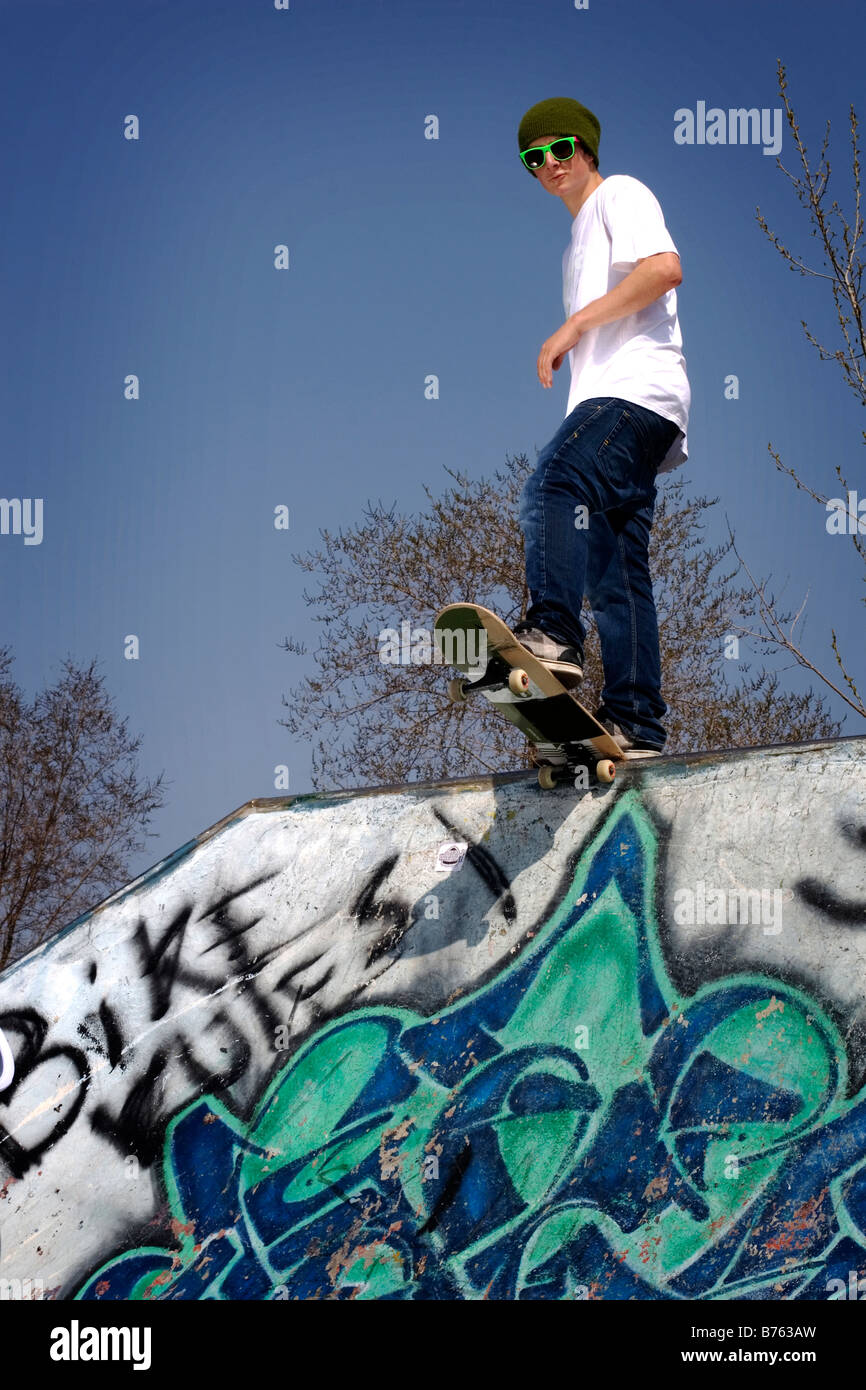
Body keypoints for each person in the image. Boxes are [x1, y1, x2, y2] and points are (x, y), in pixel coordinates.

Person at [513, 97, 690, 756]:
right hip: (640, 419)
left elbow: (664, 268)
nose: (550, 164)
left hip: (631, 399)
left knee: (552, 487)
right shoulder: (573, 245)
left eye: (560, 148)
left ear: (586, 147)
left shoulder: (620, 194)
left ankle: (552, 636)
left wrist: (576, 324)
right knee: (616, 578)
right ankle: (636, 724)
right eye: (535, 158)